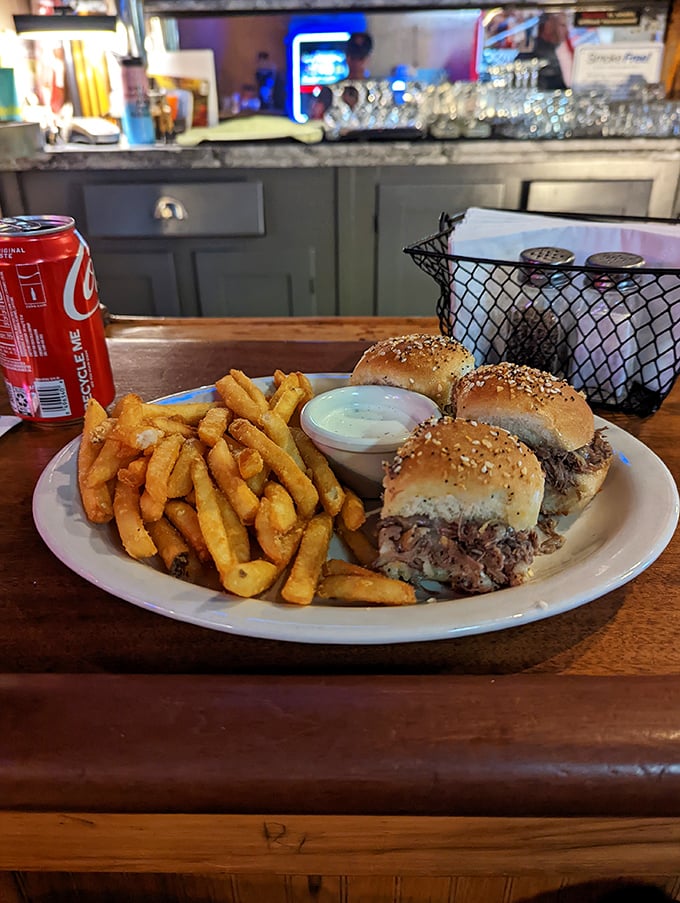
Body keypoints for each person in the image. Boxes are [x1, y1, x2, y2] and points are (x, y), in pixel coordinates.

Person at [530, 12, 570, 90]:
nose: (567, 31)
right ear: (549, 25)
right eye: (563, 25)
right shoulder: (536, 51)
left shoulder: (564, 48)